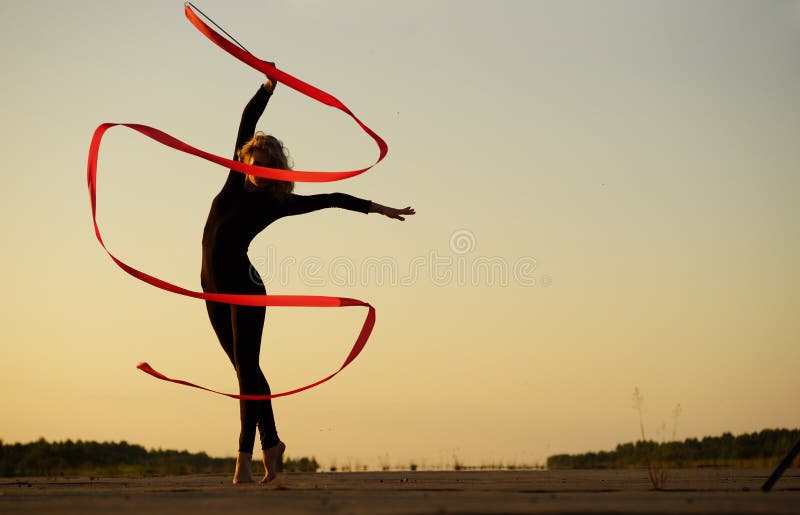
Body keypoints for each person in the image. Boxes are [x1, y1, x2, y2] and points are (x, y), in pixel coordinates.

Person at [200, 72, 415, 484]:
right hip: (211, 287)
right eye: (256, 164)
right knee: (246, 371)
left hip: (246, 288)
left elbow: (331, 198)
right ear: (246, 160)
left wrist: (379, 208)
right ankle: (272, 443)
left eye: (269, 168)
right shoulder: (234, 177)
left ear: (277, 172)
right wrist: (268, 85)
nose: (260, 171)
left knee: (247, 371)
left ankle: (244, 460)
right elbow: (247, 120)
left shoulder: (275, 202)